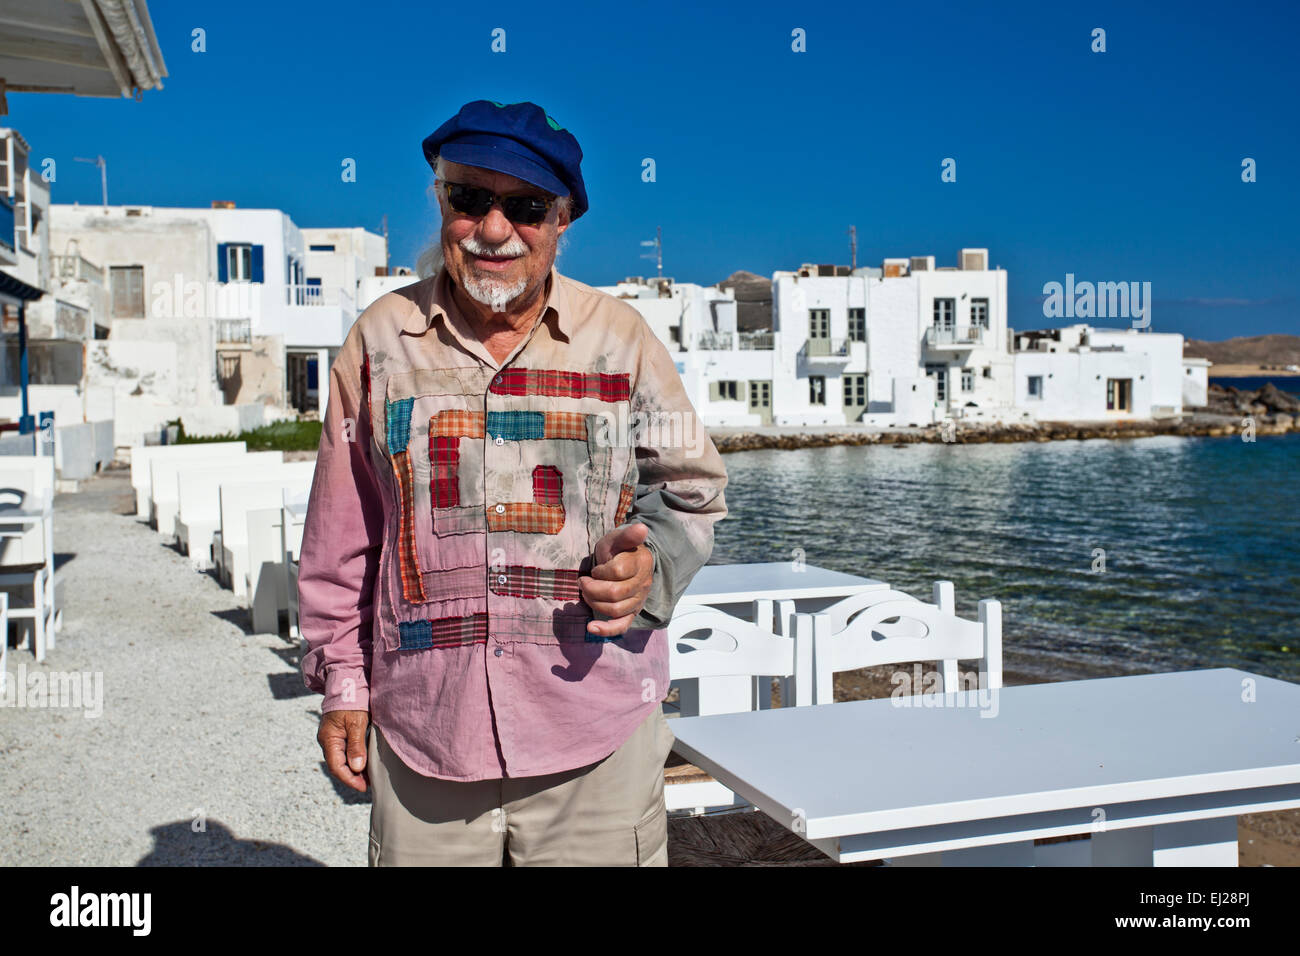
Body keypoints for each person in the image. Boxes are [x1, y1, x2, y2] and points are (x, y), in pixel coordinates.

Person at [298, 99, 728, 865]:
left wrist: (648, 570)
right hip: (426, 732)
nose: (493, 230)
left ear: (563, 220)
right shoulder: (377, 345)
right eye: (470, 199)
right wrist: (343, 685)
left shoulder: (621, 341)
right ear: (440, 201)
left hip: (594, 737)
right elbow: (342, 539)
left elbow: (692, 488)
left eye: (526, 207)